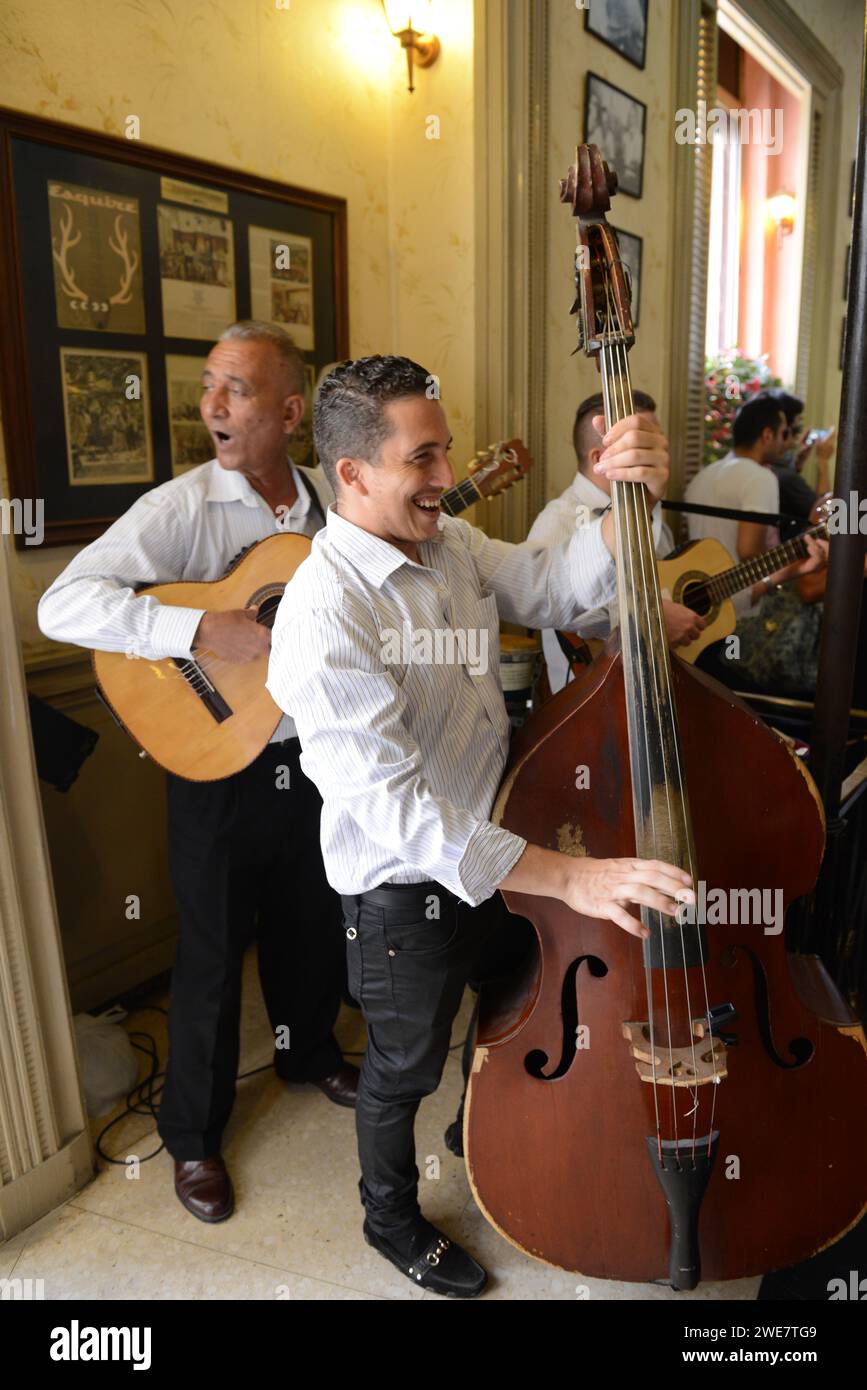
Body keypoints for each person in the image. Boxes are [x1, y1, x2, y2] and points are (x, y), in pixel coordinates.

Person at [266, 355, 695, 1298]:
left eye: (444, 451)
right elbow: (393, 810)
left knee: (505, 1019)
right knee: (401, 1065)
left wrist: (623, 496)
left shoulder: (450, 543)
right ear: (353, 473)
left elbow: (550, 586)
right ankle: (389, 1217)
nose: (443, 474)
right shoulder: (323, 610)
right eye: (424, 458)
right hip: (401, 891)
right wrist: (574, 878)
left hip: (503, 864)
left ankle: (487, 1129)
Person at [38, 321, 357, 1224]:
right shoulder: (182, 508)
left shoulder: (333, 505)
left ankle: (306, 1053)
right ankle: (193, 1138)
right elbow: (68, 603)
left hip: (317, 750)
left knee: (311, 916)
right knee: (212, 952)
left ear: (291, 412)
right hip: (214, 756)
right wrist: (198, 629)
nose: (212, 404)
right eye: (210, 385)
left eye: (238, 389)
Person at [527, 389, 705, 693]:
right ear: (599, 459)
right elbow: (549, 605)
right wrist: (651, 620)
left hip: (663, 683)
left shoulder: (653, 510)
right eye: (642, 449)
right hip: (593, 703)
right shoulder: (557, 522)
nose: (659, 460)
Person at [684, 394, 823, 618]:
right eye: (783, 433)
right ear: (767, 435)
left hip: (698, 605)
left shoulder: (703, 475)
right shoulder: (760, 477)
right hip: (740, 606)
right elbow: (749, 551)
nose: (786, 442)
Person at [760, 387, 834, 541]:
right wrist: (822, 462)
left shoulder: (760, 468)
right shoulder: (783, 477)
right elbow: (826, 516)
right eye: (794, 430)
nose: (793, 438)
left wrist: (797, 465)